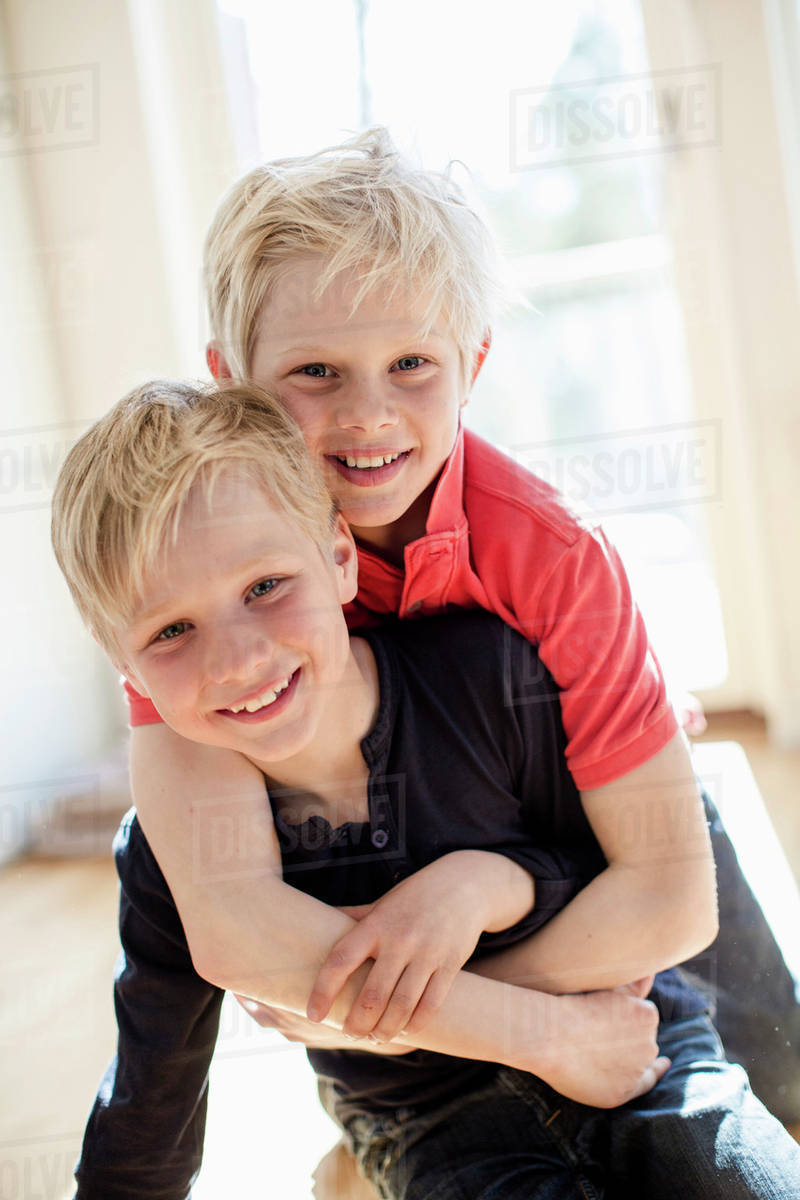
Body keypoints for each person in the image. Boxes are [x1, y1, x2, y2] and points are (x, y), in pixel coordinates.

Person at [122, 129, 800, 1123]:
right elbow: (239, 931)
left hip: (565, 829)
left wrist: (423, 1005)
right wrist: (520, 1030)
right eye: (313, 372)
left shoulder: (554, 555)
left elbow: (665, 894)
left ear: (471, 363)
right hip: (372, 855)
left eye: (409, 363)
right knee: (157, 843)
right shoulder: (187, 564)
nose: (367, 415)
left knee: (777, 1077)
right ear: (230, 379)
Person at [51, 381, 800, 1198]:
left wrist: (495, 885)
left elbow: (617, 871)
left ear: (340, 559)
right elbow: (151, 1090)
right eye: (171, 631)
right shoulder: (176, 847)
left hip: (629, 1040)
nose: (236, 660)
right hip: (423, 1116)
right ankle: (355, 1166)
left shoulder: (488, 674)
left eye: (265, 587)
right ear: (126, 671)